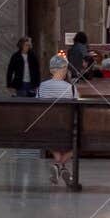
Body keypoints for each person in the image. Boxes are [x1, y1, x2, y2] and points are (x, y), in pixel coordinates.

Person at [35, 54, 78, 184]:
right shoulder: (70, 88)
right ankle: (60, 166)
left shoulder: (41, 87)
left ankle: (58, 165)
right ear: (64, 69)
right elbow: (77, 109)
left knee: (51, 135)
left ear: (51, 69)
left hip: (45, 128)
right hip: (66, 129)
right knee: (78, 141)